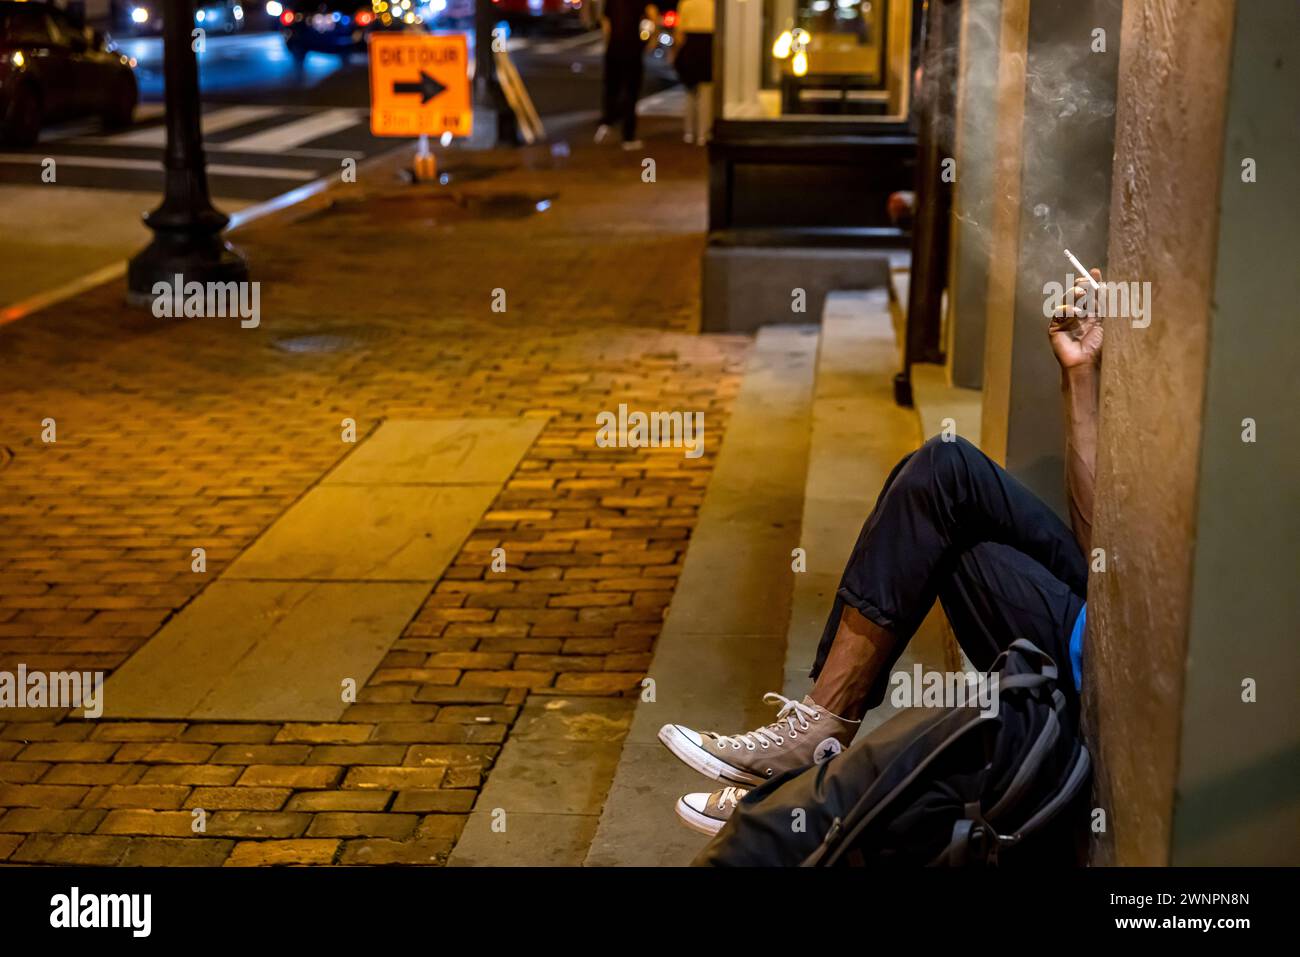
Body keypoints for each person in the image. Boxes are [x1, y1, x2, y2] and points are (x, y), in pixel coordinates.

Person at [664, 268, 1106, 835]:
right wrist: (1081, 374)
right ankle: (814, 746)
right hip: (1092, 609)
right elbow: (1102, 550)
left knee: (934, 511)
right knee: (939, 473)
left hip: (1089, 650)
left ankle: (805, 781)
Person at [597, 0, 660, 149]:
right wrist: (652, 39)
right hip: (632, 49)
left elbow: (606, 25)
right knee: (631, 92)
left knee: (611, 88)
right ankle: (628, 136)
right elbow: (653, 15)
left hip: (614, 48)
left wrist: (608, 45)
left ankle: (607, 123)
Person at [671, 0, 714, 144]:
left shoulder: (686, 3)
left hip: (690, 47)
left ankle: (688, 132)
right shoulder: (713, 4)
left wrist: (675, 53)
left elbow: (679, 33)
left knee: (689, 92)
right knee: (706, 94)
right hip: (708, 47)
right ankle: (703, 133)